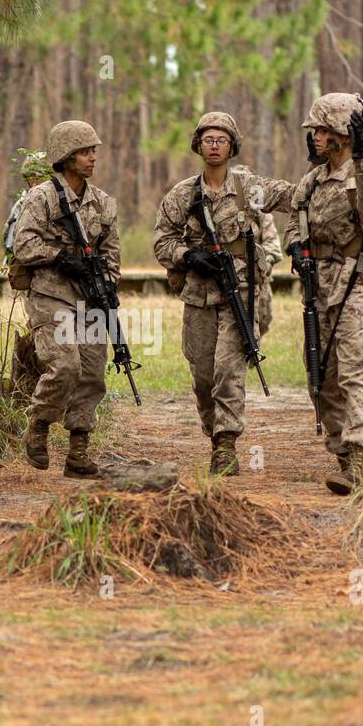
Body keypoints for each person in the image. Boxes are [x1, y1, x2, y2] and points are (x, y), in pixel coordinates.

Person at [152, 114, 297, 474]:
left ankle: (226, 445)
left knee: (228, 371)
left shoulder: (250, 188)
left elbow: (294, 196)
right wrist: (190, 256)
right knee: (203, 377)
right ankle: (214, 434)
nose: (214, 145)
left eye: (221, 139)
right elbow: (162, 241)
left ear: (232, 146)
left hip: (241, 292)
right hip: (199, 294)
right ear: (198, 145)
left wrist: (327, 169)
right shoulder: (183, 194)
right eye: (208, 139)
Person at [283, 93, 363, 495]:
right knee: (323, 374)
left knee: (358, 370)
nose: (315, 137)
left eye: (323, 130)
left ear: (343, 135)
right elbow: (295, 223)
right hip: (318, 289)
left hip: (358, 284)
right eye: (314, 130)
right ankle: (342, 455)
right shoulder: (311, 181)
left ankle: (362, 461)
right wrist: (296, 246)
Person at [11, 120, 121, 477]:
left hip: (89, 299)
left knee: (91, 373)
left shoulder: (103, 203)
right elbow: (24, 245)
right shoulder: (41, 197)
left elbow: (113, 256)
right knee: (65, 364)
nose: (92, 158)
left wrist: (106, 286)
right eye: (85, 152)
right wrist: (61, 257)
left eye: (93, 152)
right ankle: (39, 423)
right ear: (66, 156)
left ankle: (78, 452)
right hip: (50, 294)